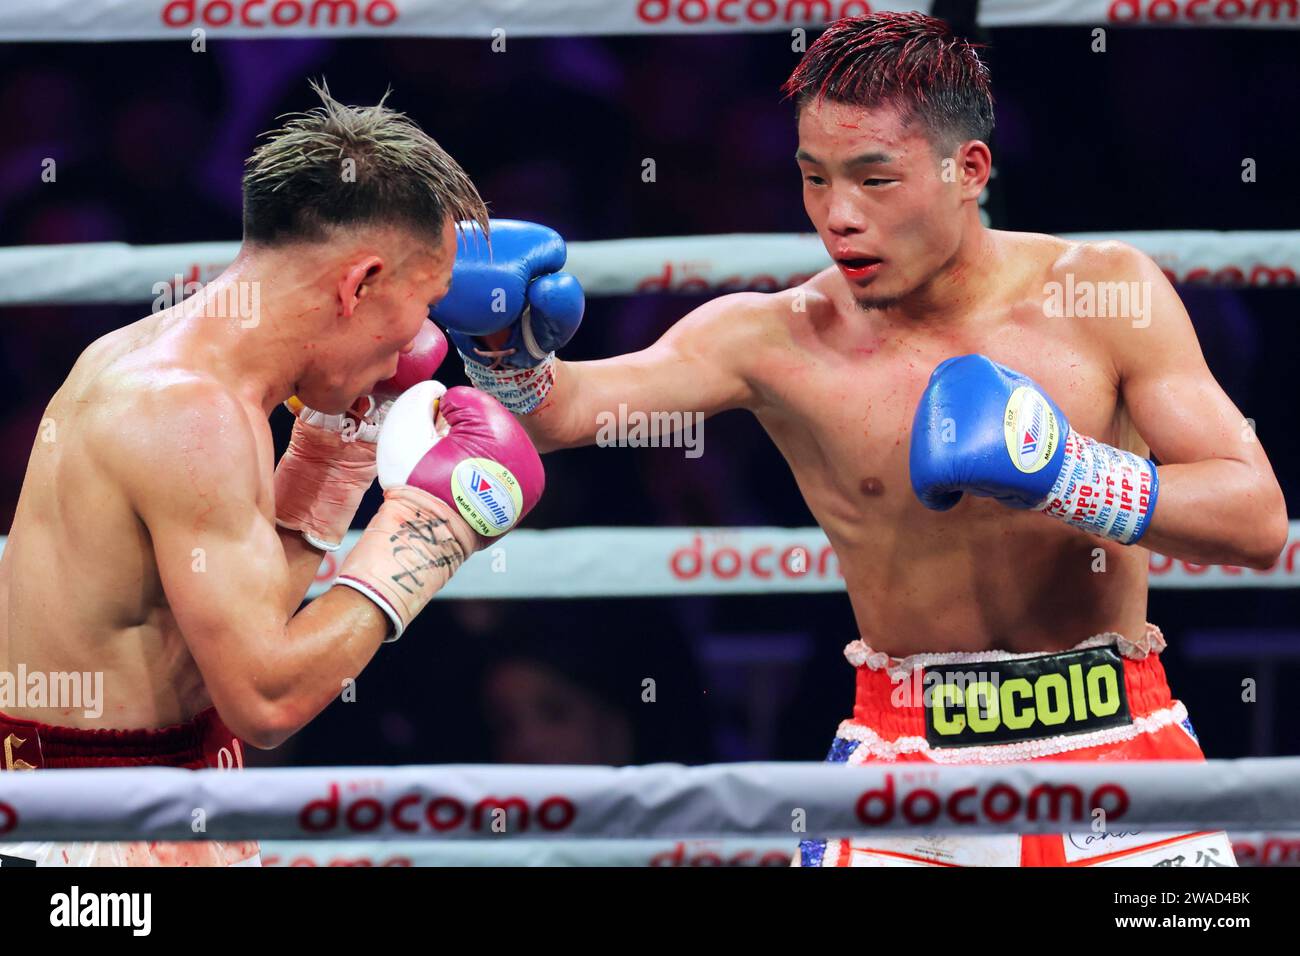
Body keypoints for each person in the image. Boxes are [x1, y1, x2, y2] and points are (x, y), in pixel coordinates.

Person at [432, 15, 1287, 866]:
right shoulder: (775, 337)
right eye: (815, 179)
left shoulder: (1104, 294)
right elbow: (563, 413)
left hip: (1121, 741)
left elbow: (1254, 521)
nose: (837, 217)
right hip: (906, 766)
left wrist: (1066, 472)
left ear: (969, 171)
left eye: (875, 181)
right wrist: (502, 349)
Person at [0, 83, 544, 866]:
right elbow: (267, 698)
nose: (420, 342)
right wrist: (432, 530)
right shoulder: (188, 417)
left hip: (141, 805)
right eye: (421, 305)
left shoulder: (163, 358)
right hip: (92, 844)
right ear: (358, 284)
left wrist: (338, 449)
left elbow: (239, 621)